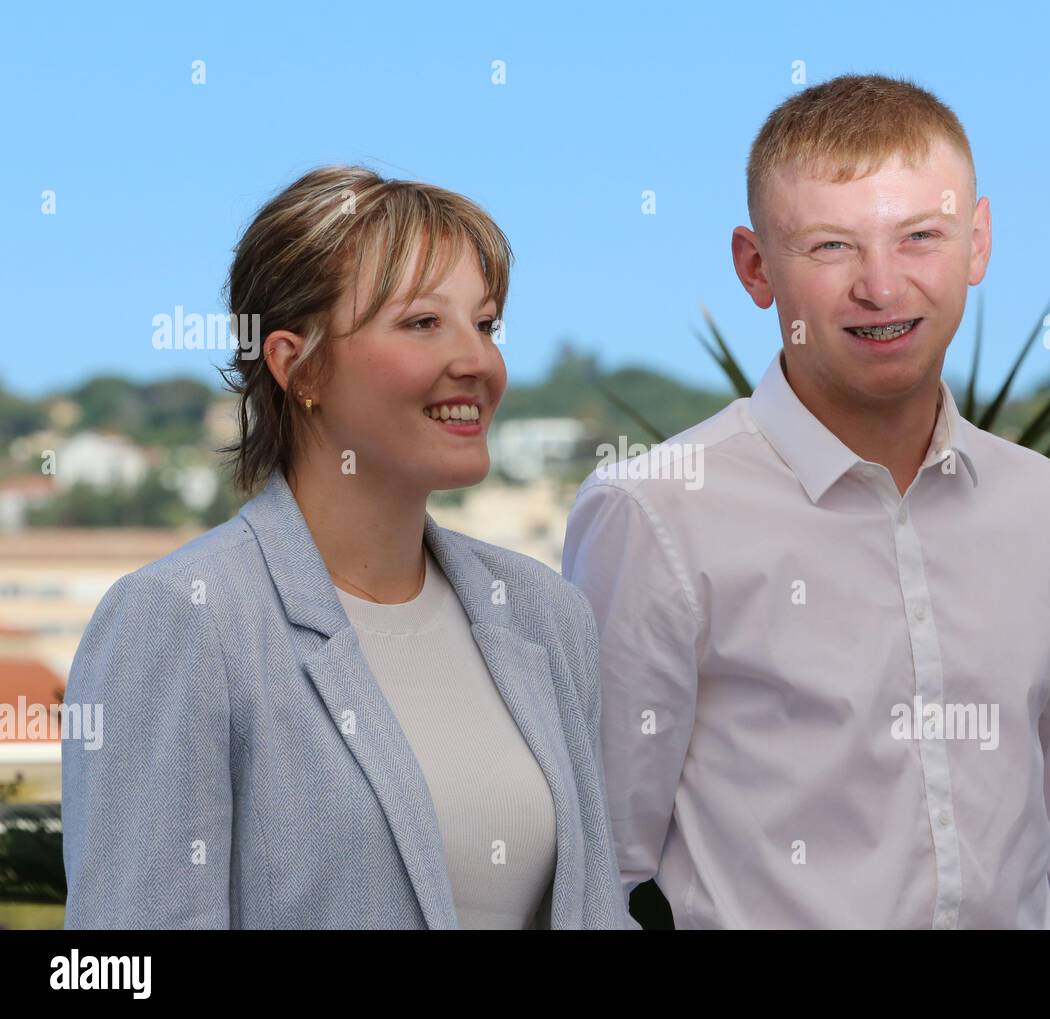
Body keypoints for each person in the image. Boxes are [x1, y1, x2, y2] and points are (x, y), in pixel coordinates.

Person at [562, 74, 1050, 929]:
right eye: (831, 247)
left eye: (921, 236)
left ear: (977, 241)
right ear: (756, 268)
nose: (881, 286)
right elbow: (596, 875)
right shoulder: (653, 513)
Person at [62, 165, 633, 930]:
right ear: (299, 365)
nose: (479, 361)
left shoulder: (544, 614)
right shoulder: (185, 620)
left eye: (487, 324)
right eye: (424, 322)